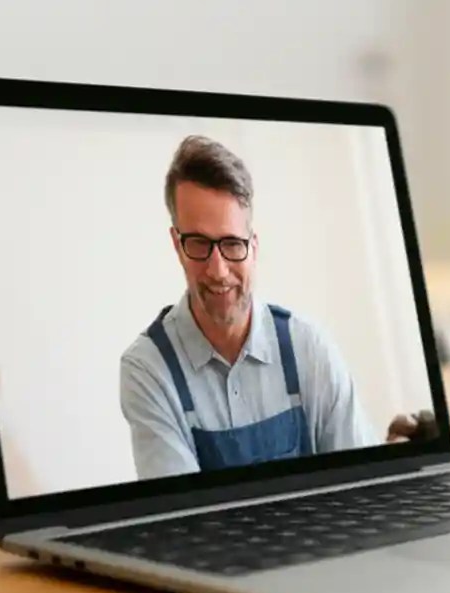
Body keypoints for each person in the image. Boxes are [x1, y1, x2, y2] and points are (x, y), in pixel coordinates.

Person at [120, 135, 422, 479]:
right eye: (199, 243)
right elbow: (180, 523)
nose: (218, 271)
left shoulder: (309, 348)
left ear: (254, 245)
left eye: (232, 244)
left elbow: (361, 489)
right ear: (177, 244)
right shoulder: (148, 370)